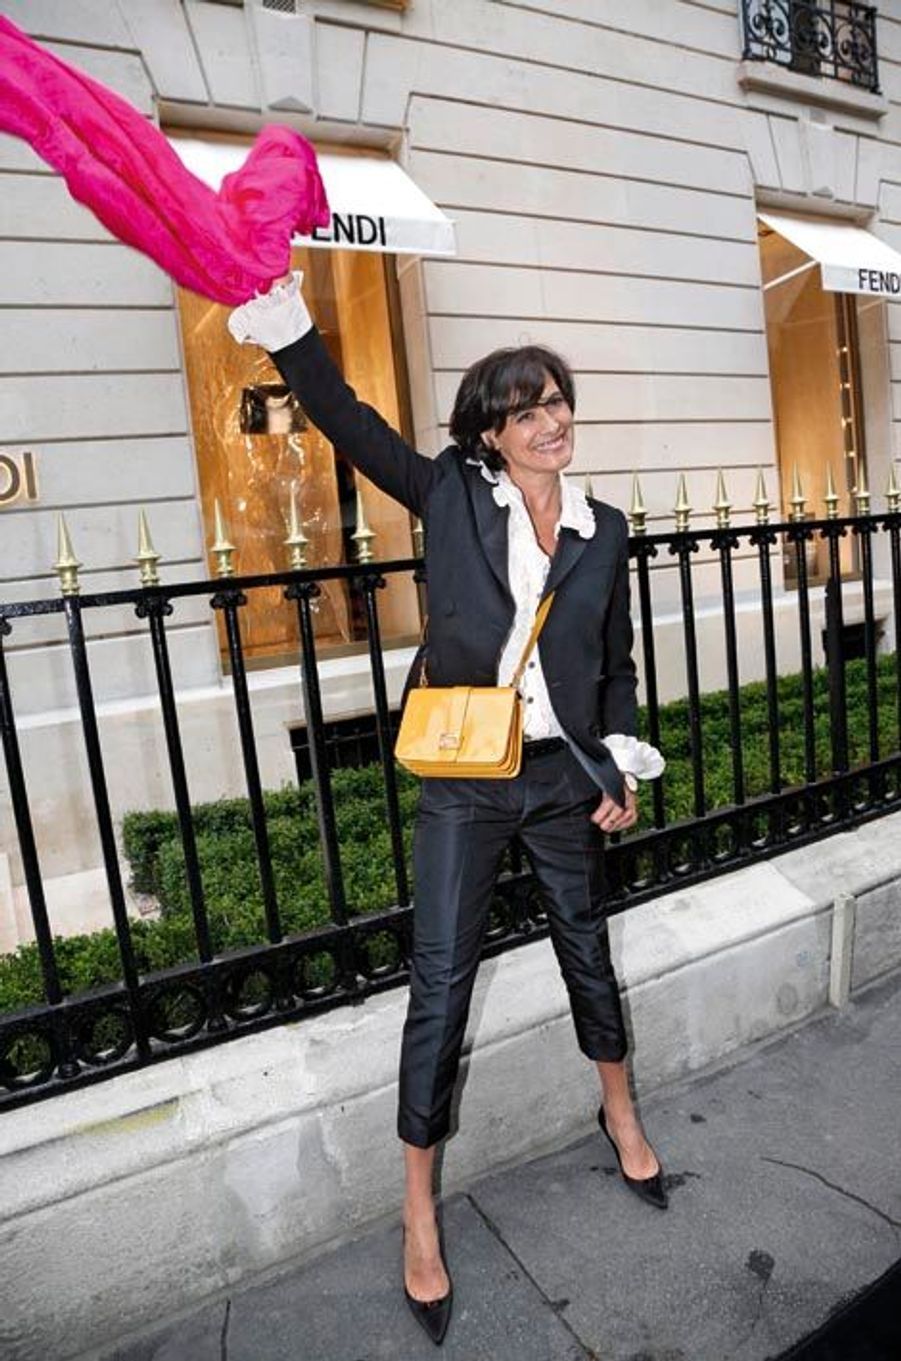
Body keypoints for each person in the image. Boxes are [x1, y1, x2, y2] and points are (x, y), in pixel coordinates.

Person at [229, 274, 666, 1346]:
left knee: (586, 950)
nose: (552, 419)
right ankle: (418, 1208)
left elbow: (611, 666)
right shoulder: (452, 495)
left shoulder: (605, 527)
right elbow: (349, 422)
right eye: (527, 408)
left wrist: (617, 765)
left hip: (563, 780)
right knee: (440, 984)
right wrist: (289, 330)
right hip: (464, 783)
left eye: (558, 400)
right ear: (490, 429)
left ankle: (618, 1106)